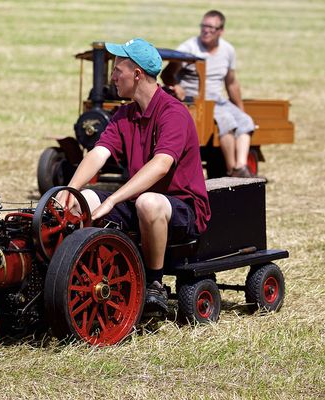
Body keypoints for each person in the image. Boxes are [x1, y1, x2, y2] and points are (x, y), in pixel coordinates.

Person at [59, 38, 211, 314]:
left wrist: (114, 199)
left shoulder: (173, 112)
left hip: (181, 208)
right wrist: (70, 190)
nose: (113, 77)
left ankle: (155, 283)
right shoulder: (123, 114)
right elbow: (98, 154)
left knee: (148, 202)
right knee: (86, 199)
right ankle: (80, 276)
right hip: (139, 200)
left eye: (118, 70)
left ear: (138, 74)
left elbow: (161, 165)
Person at [162, 10, 256, 178]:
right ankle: (232, 170)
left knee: (246, 121)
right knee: (226, 121)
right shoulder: (188, 48)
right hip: (196, 98)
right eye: (204, 26)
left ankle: (241, 166)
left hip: (217, 99)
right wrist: (176, 86)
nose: (206, 31)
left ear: (221, 31)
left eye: (211, 28)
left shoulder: (228, 50)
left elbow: (231, 82)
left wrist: (240, 109)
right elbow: (167, 74)